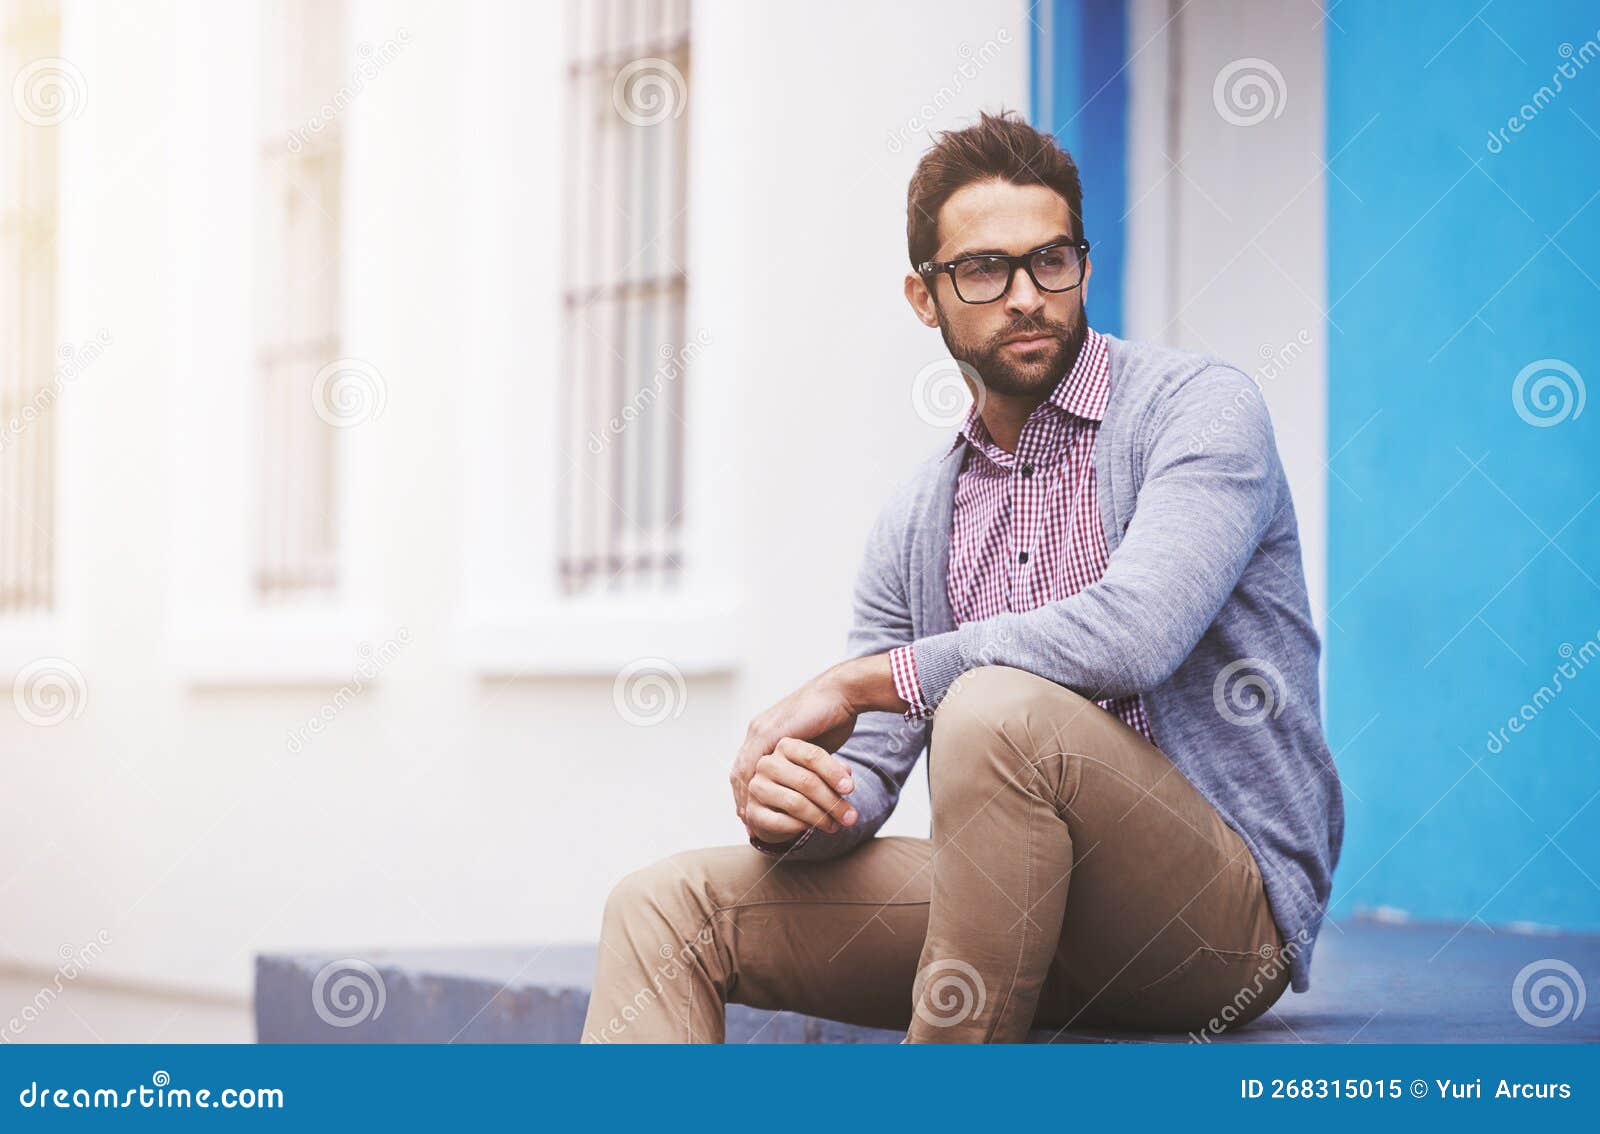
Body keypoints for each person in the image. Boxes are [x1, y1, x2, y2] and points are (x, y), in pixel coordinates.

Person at [582, 111, 1343, 1044]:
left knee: (992, 705)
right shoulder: (918, 519)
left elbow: (1137, 633)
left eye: (1050, 261)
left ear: (1084, 267)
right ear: (924, 296)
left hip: (1214, 925)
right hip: (1012, 909)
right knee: (662, 908)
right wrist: (798, 804)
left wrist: (861, 681)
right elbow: (867, 774)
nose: (1026, 297)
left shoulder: (1197, 411)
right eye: (985, 269)